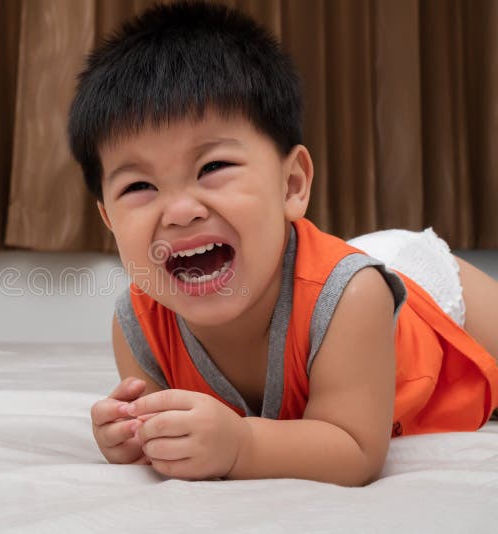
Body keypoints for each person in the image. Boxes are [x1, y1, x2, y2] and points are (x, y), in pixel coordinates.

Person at [67, 1, 498, 486]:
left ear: (292, 184)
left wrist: (241, 445)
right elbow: (165, 428)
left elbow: (355, 450)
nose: (181, 210)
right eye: (138, 187)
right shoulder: (137, 325)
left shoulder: (353, 298)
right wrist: (133, 436)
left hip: (421, 285)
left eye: (213, 168)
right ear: (107, 219)